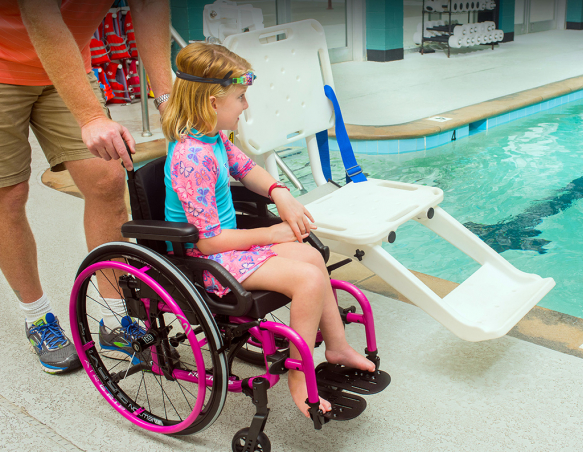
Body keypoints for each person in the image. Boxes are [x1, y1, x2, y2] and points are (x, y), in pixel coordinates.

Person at [161, 43, 376, 418]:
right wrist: (273, 233)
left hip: (228, 250)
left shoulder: (213, 140)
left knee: (311, 254)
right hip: (205, 261)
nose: (246, 106)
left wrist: (281, 193)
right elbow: (208, 240)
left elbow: (247, 170)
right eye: (241, 98)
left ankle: (337, 346)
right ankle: (298, 377)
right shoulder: (191, 158)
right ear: (213, 102)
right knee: (307, 280)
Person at [0, 0, 172, 373]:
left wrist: (166, 98)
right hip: (4, 65)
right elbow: (38, 12)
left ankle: (113, 321)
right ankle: (38, 318)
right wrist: (92, 116)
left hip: (66, 66)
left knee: (107, 181)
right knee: (8, 196)